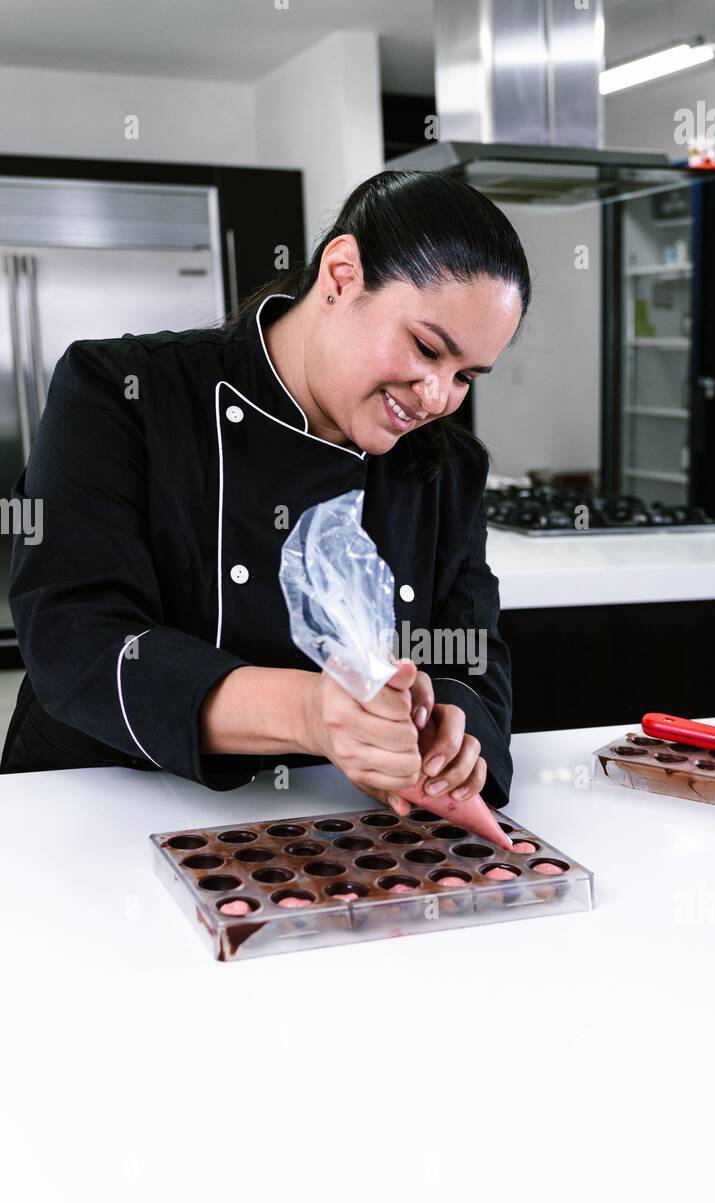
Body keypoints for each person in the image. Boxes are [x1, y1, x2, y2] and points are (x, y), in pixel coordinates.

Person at [2, 170, 531, 813]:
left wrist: (446, 735)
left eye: (466, 376)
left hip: (329, 828)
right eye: (426, 348)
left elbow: (469, 650)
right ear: (341, 275)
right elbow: (74, 637)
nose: (438, 398)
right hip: (100, 806)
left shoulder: (448, 469)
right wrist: (310, 712)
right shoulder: (124, 392)